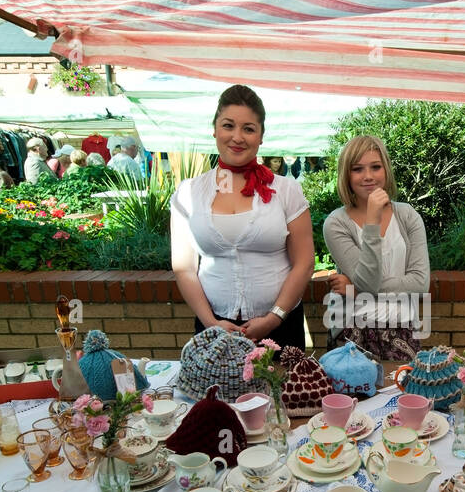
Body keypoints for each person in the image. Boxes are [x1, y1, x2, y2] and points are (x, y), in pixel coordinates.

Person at [170, 84, 315, 348]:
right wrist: (211, 323)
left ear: (261, 136)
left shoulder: (287, 190)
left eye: (248, 129)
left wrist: (273, 318)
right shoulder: (188, 193)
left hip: (281, 326)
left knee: (279, 378)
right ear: (215, 129)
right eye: (228, 126)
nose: (237, 137)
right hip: (214, 328)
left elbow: (304, 263)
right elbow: (184, 268)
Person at [322, 135, 430, 361]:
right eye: (357, 169)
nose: (368, 176)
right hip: (353, 329)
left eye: (375, 167)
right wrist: (372, 222)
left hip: (402, 328)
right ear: (346, 175)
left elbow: (420, 283)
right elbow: (368, 283)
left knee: (402, 384)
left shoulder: (407, 215)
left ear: (386, 169)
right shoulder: (336, 223)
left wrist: (356, 290)